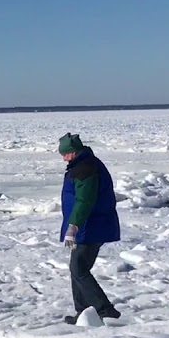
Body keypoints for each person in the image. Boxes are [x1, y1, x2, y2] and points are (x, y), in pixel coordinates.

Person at [58, 133, 121, 323]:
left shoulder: (85, 169)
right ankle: (84, 313)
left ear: (73, 152)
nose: (63, 158)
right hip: (88, 226)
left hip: (91, 226)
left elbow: (84, 201)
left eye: (65, 154)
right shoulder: (83, 165)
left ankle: (105, 310)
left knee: (79, 269)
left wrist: (73, 226)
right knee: (77, 269)